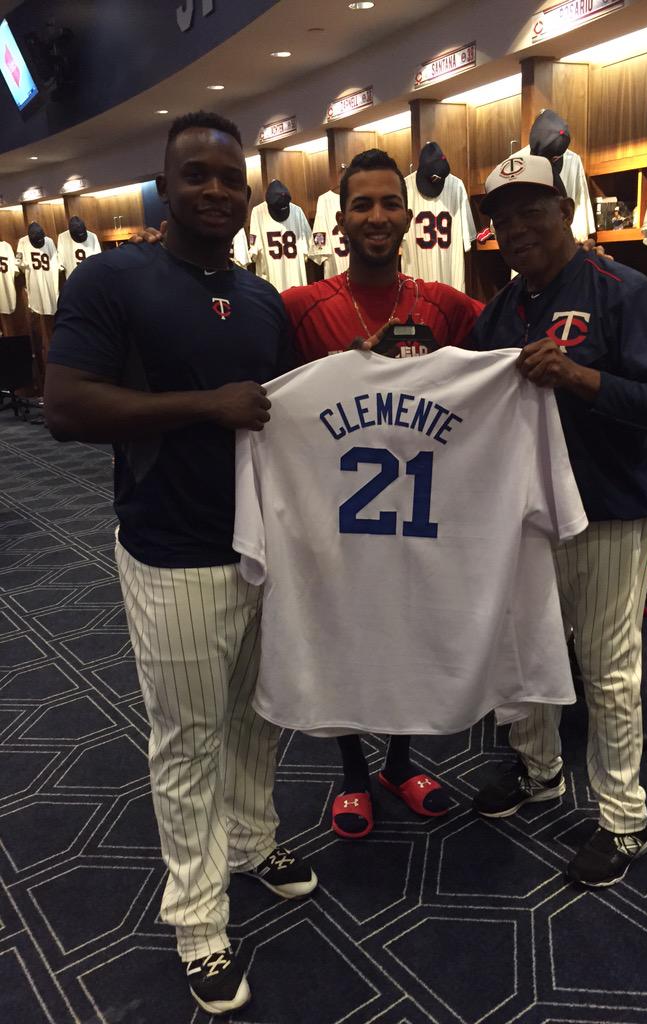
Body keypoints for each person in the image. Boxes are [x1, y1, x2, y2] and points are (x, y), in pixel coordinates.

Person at [43, 111, 317, 1018]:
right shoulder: (111, 279)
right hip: (171, 550)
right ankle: (198, 921)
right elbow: (68, 407)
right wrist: (206, 406)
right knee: (189, 739)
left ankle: (254, 840)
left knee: (257, 714)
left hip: (260, 547)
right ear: (164, 185)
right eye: (196, 175)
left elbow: (278, 415)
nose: (216, 191)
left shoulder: (265, 297)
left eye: (230, 179)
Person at [469, 152, 647, 888]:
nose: (517, 229)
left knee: (606, 670)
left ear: (567, 211)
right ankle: (539, 771)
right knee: (526, 657)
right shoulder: (503, 310)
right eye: (504, 220)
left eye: (532, 211)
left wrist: (581, 377)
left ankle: (623, 818)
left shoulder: (621, 290)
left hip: (607, 511)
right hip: (526, 518)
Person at [281, 149, 484, 840]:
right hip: (336, 514)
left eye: (388, 203)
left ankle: (399, 761)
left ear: (408, 214)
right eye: (362, 204)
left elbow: (505, 352)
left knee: (408, 631)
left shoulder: (444, 305)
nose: (376, 216)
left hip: (419, 510)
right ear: (341, 219)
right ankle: (353, 774)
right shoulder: (302, 307)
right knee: (342, 637)